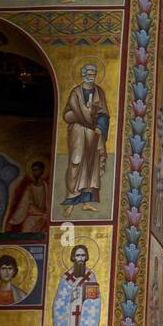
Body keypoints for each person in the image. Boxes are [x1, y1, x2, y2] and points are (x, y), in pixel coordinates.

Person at [61, 63, 109, 213]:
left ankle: (86, 201)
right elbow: (68, 114)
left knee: (91, 164)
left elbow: (104, 113)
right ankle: (71, 200)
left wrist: (100, 127)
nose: (91, 76)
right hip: (78, 132)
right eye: (88, 74)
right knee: (76, 161)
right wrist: (85, 117)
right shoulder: (76, 92)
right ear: (83, 74)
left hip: (93, 133)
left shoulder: (99, 92)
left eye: (93, 74)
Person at [5, 160, 49, 232]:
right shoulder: (29, 188)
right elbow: (24, 205)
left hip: (44, 220)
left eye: (36, 170)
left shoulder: (47, 187)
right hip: (31, 219)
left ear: (42, 170)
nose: (34, 172)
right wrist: (12, 221)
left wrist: (46, 214)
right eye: (33, 170)